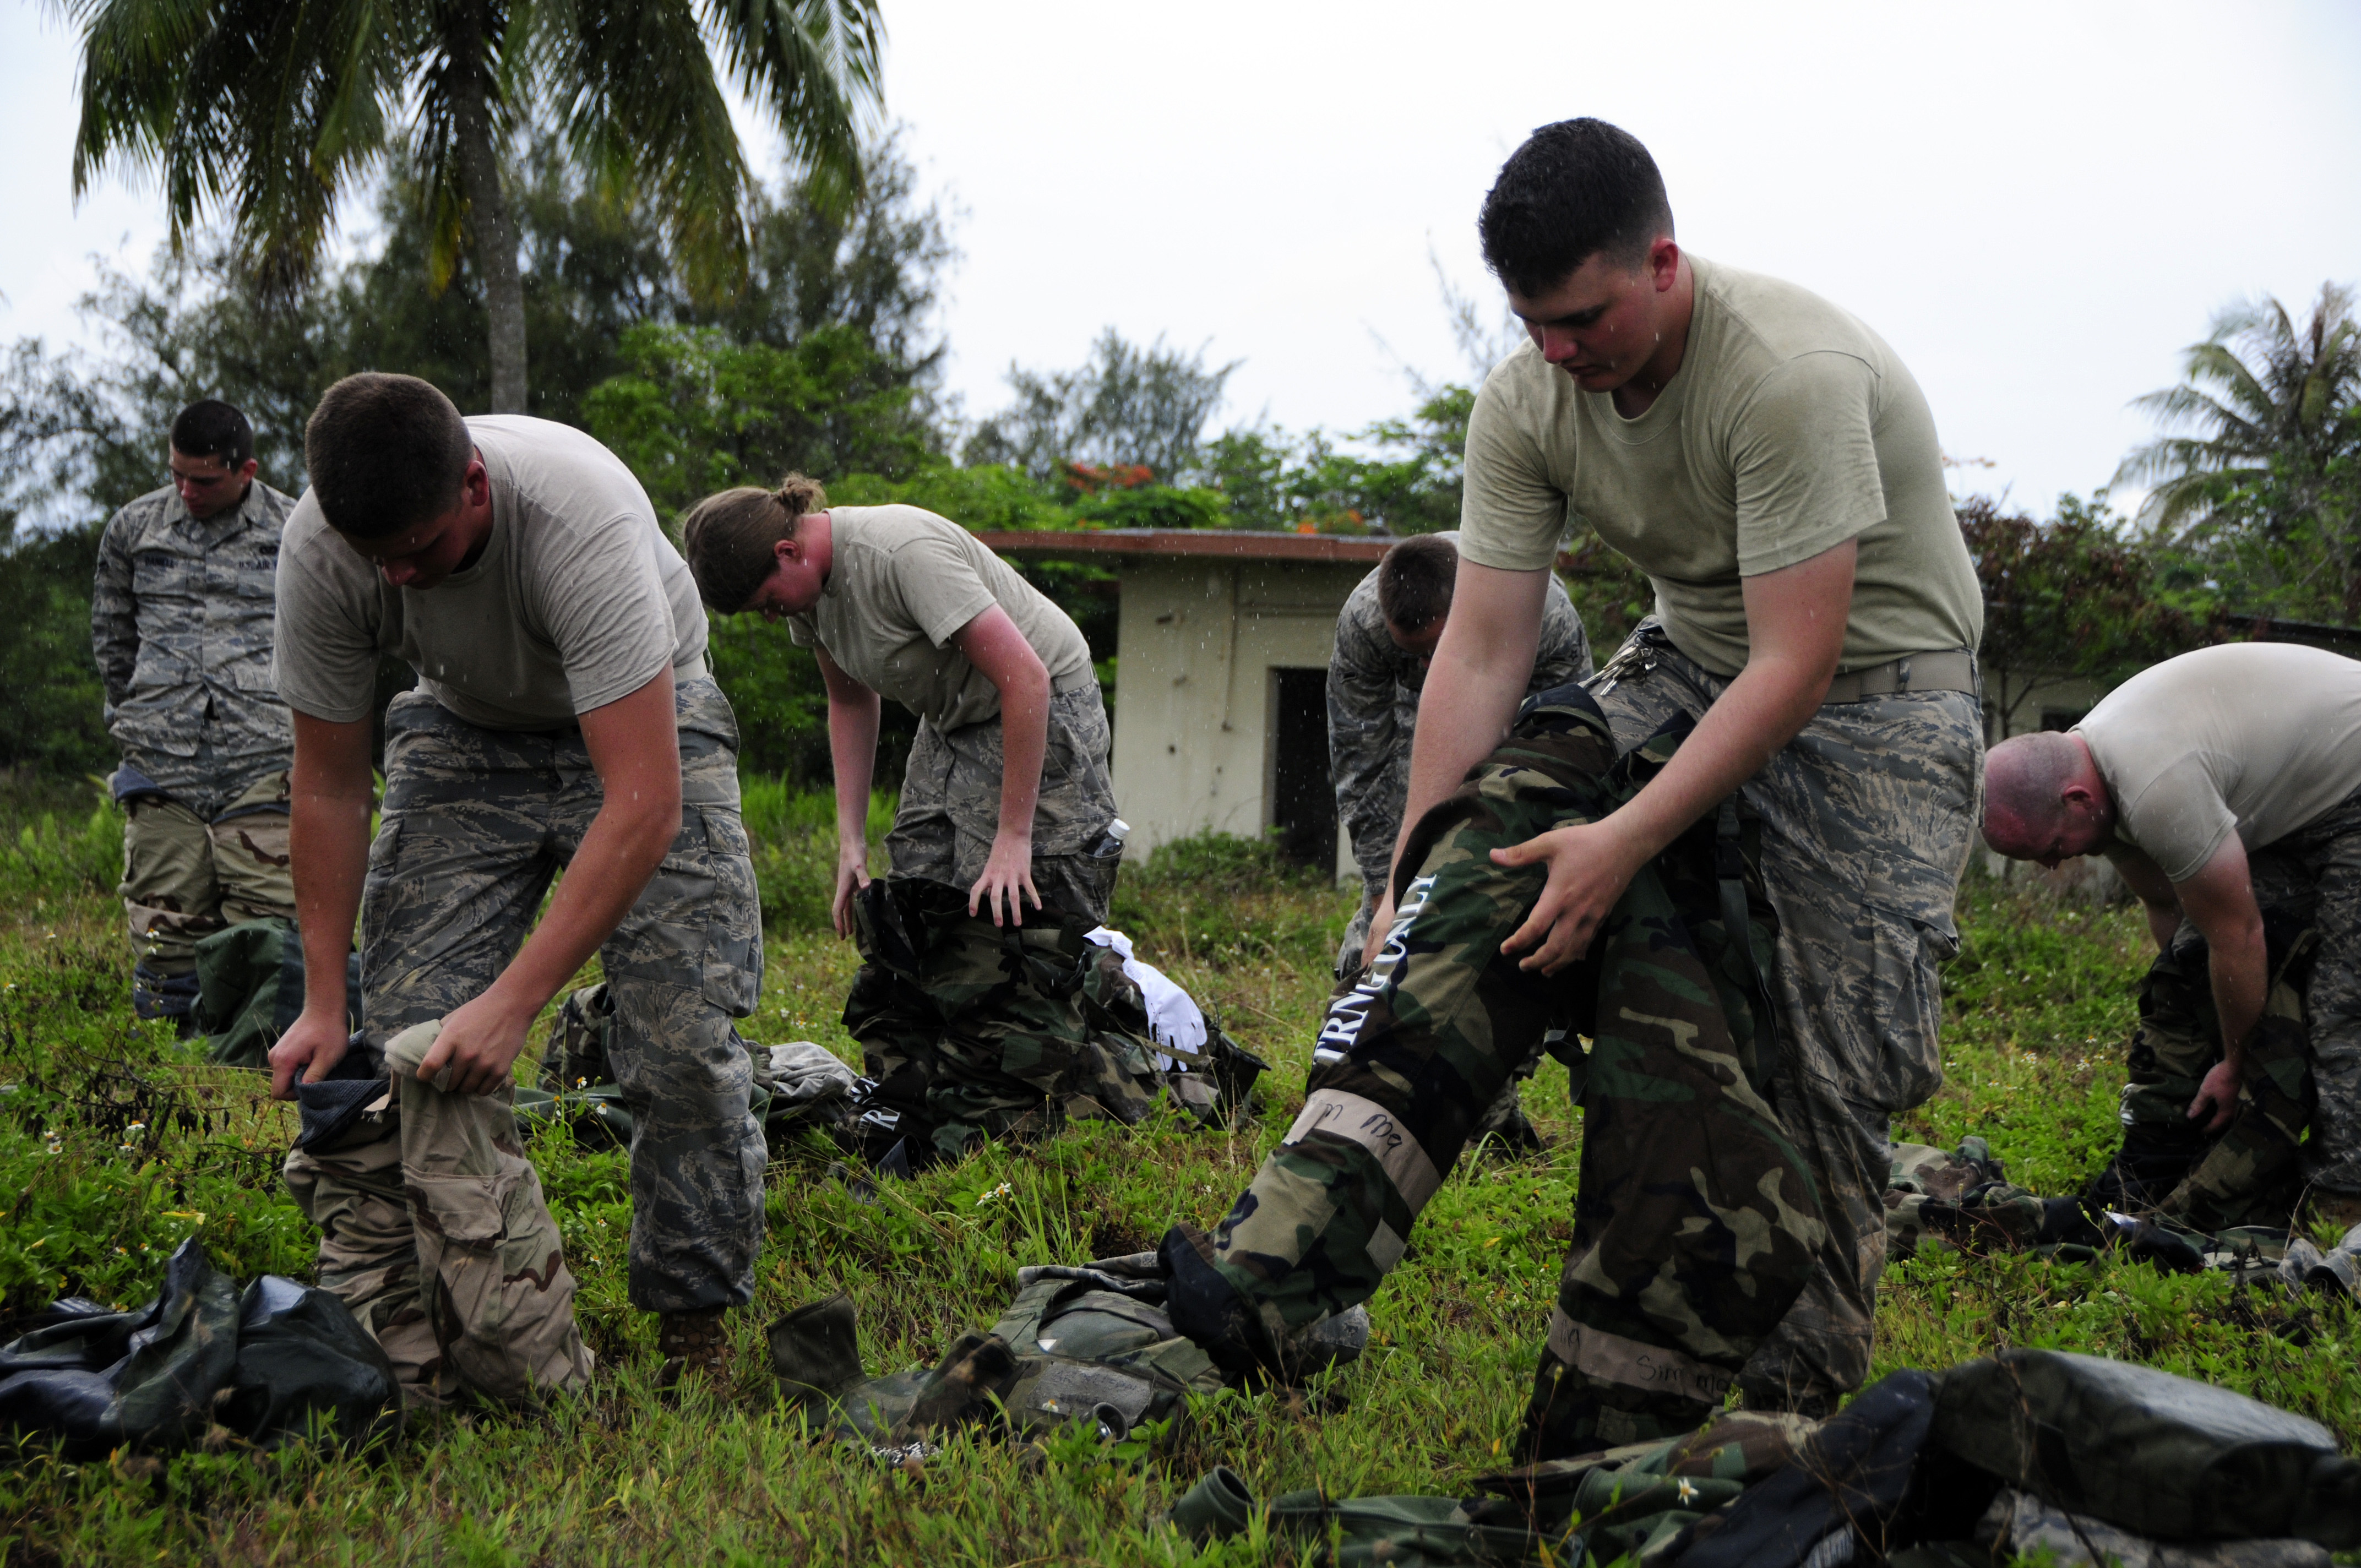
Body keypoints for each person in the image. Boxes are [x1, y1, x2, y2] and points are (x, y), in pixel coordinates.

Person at [1226, 117, 1983, 1442]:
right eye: (1532, 323)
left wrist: (1625, 839)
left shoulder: (1784, 375)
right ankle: (1281, 1273)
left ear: (1662, 264)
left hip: (1872, 706)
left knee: (1824, 1069)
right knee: (1484, 859)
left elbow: (1794, 666)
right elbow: (1482, 642)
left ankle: (1783, 1426)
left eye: (1581, 317)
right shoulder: (1528, 396)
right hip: (1688, 657)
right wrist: (1402, 877)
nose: (1559, 352)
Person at [266, 373, 765, 1401]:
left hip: (645, 722)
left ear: (476, 486)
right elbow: (326, 783)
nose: (401, 576)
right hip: (463, 725)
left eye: (423, 549)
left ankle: (694, 1317)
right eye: (381, 560)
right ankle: (462, 1314)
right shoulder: (325, 546)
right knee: (415, 1037)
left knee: (678, 1040)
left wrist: (516, 1002)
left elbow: (641, 802)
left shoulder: (580, 526)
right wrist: (325, 998)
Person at [1982, 641, 2361, 1228]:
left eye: (2051, 850)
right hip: (2309, 797)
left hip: (2352, 785)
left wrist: (2232, 1063)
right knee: (2202, 961)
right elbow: (2168, 909)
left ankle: (2344, 1200)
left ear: (2076, 801)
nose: (2052, 868)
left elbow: (2237, 935)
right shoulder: (2096, 780)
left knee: (2343, 1002)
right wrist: (2201, 1030)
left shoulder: (2154, 786)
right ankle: (2205, 1153)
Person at [678, 475, 1119, 932]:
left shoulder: (901, 553)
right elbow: (849, 702)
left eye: (768, 602)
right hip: (952, 717)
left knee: (1022, 909)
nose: (771, 616)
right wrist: (851, 842)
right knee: (918, 887)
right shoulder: (808, 594)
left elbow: (1027, 680)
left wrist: (1014, 836)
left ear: (787, 552)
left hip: (1041, 707)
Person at [91, 400, 301, 1028]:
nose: (188, 491)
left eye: (205, 479)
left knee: (275, 925)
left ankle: (263, 1059)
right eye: (178, 475)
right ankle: (173, 1068)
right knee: (166, 927)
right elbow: (112, 635)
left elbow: (327, 636)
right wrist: (137, 710)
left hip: (264, 755)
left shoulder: (295, 528)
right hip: (163, 756)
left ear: (247, 470)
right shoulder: (134, 528)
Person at [1329, 531, 1592, 974]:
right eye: (1416, 654)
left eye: (1437, 648)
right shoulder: (1364, 625)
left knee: (1500, 850)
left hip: (1517, 702)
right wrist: (1387, 898)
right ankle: (1365, 985)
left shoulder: (1544, 618)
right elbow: (1361, 766)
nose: (1432, 666)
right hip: (1413, 722)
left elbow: (1573, 751)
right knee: (1388, 908)